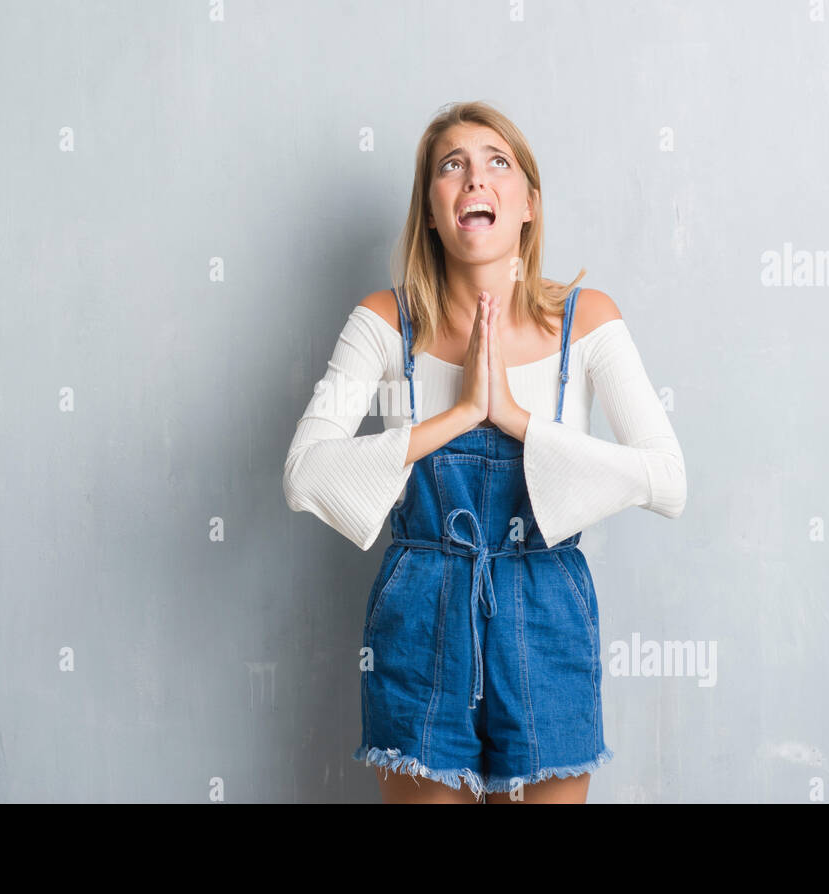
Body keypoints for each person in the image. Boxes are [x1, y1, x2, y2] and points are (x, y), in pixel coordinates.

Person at [283, 101, 687, 803]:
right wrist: (464, 412)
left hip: (547, 608)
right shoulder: (386, 322)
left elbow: (669, 481)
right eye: (452, 166)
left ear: (528, 203)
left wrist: (515, 417)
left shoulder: (585, 322)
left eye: (497, 162)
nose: (476, 178)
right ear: (432, 211)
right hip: (420, 613)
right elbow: (305, 474)